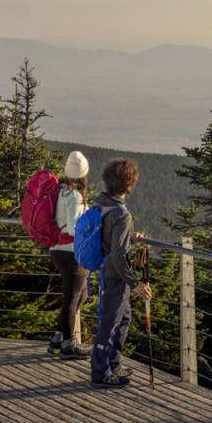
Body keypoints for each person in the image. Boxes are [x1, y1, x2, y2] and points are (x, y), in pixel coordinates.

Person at [89, 157, 152, 388]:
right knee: (110, 323)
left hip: (104, 270)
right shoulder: (122, 214)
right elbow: (118, 253)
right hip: (115, 276)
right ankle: (100, 371)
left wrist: (129, 238)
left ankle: (113, 363)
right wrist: (134, 283)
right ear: (129, 183)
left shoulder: (101, 202)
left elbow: (111, 240)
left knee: (123, 319)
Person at [49, 150, 91, 359]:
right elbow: (75, 228)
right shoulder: (74, 196)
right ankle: (67, 343)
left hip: (57, 250)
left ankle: (59, 337)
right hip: (71, 253)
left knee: (79, 295)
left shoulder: (61, 190)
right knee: (73, 298)